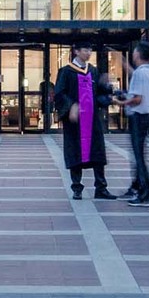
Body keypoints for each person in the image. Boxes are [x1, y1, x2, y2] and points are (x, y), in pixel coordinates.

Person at [51, 43, 117, 200]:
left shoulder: (93, 71)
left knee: (97, 152)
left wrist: (109, 89)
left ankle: (101, 188)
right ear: (76, 51)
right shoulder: (66, 72)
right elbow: (59, 94)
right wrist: (71, 106)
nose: (89, 53)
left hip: (92, 119)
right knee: (75, 152)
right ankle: (77, 188)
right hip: (75, 122)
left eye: (90, 50)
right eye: (86, 49)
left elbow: (100, 95)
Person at [118, 39, 149, 206]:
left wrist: (120, 103)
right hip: (147, 117)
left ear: (137, 54)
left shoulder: (139, 74)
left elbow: (137, 99)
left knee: (139, 157)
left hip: (137, 116)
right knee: (139, 155)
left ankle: (145, 195)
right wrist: (128, 68)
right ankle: (136, 187)